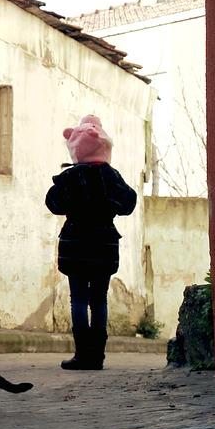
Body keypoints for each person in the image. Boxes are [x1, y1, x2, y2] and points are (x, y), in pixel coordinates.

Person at [45, 115, 137, 370]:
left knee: (78, 299)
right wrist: (108, 206)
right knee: (99, 299)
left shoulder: (69, 177)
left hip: (75, 244)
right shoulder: (111, 176)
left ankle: (81, 354)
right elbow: (129, 202)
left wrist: (74, 204)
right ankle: (97, 356)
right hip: (103, 243)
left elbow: (52, 203)